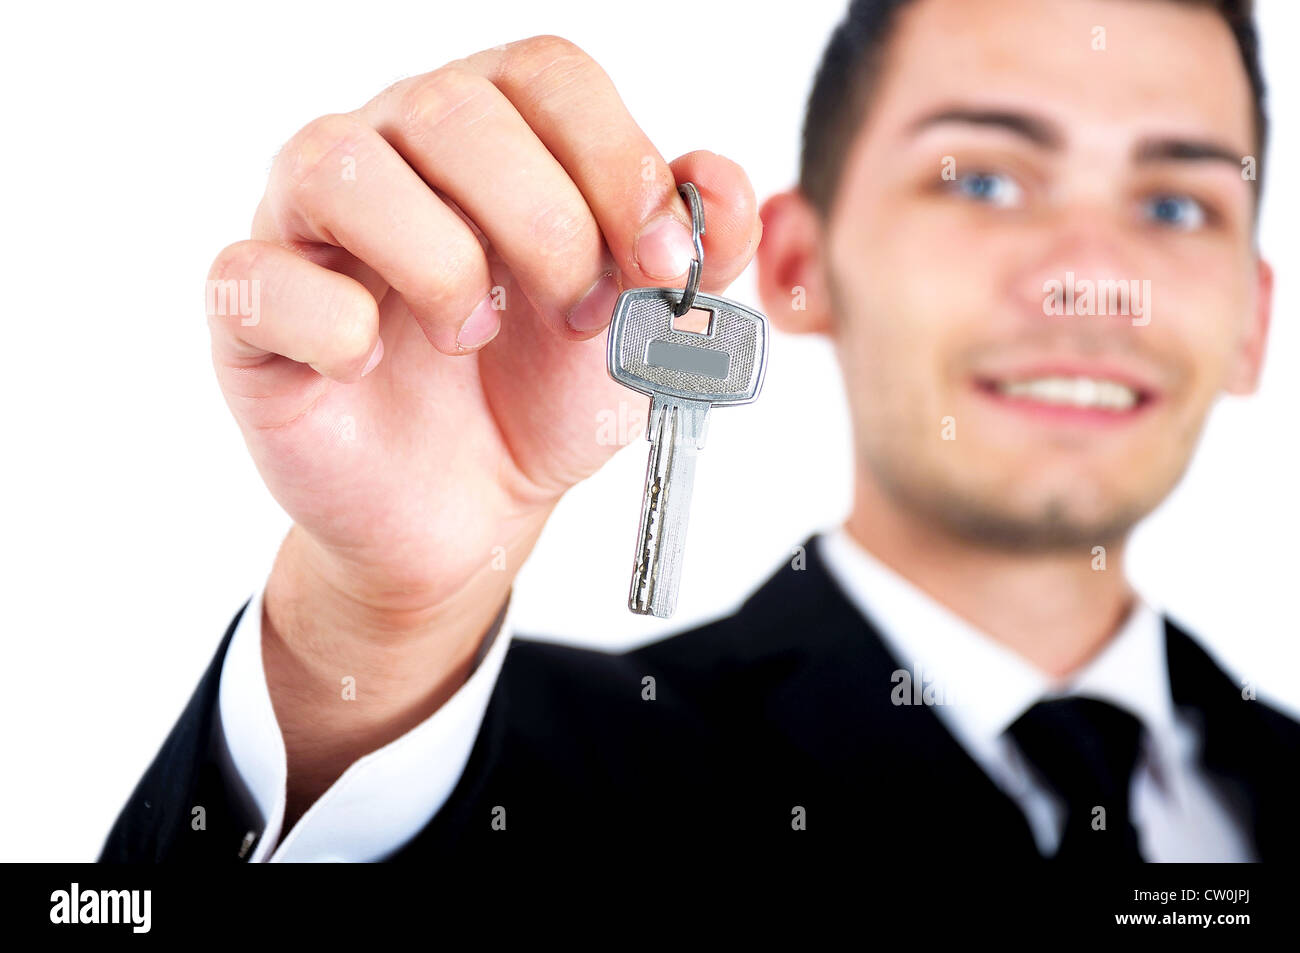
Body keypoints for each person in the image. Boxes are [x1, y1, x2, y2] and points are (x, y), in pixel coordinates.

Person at [102, 0, 1298, 864]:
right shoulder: (541, 782)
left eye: (1173, 203)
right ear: (794, 264)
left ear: (1250, 322)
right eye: (980, 180)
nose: (1086, 280)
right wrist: (371, 621)